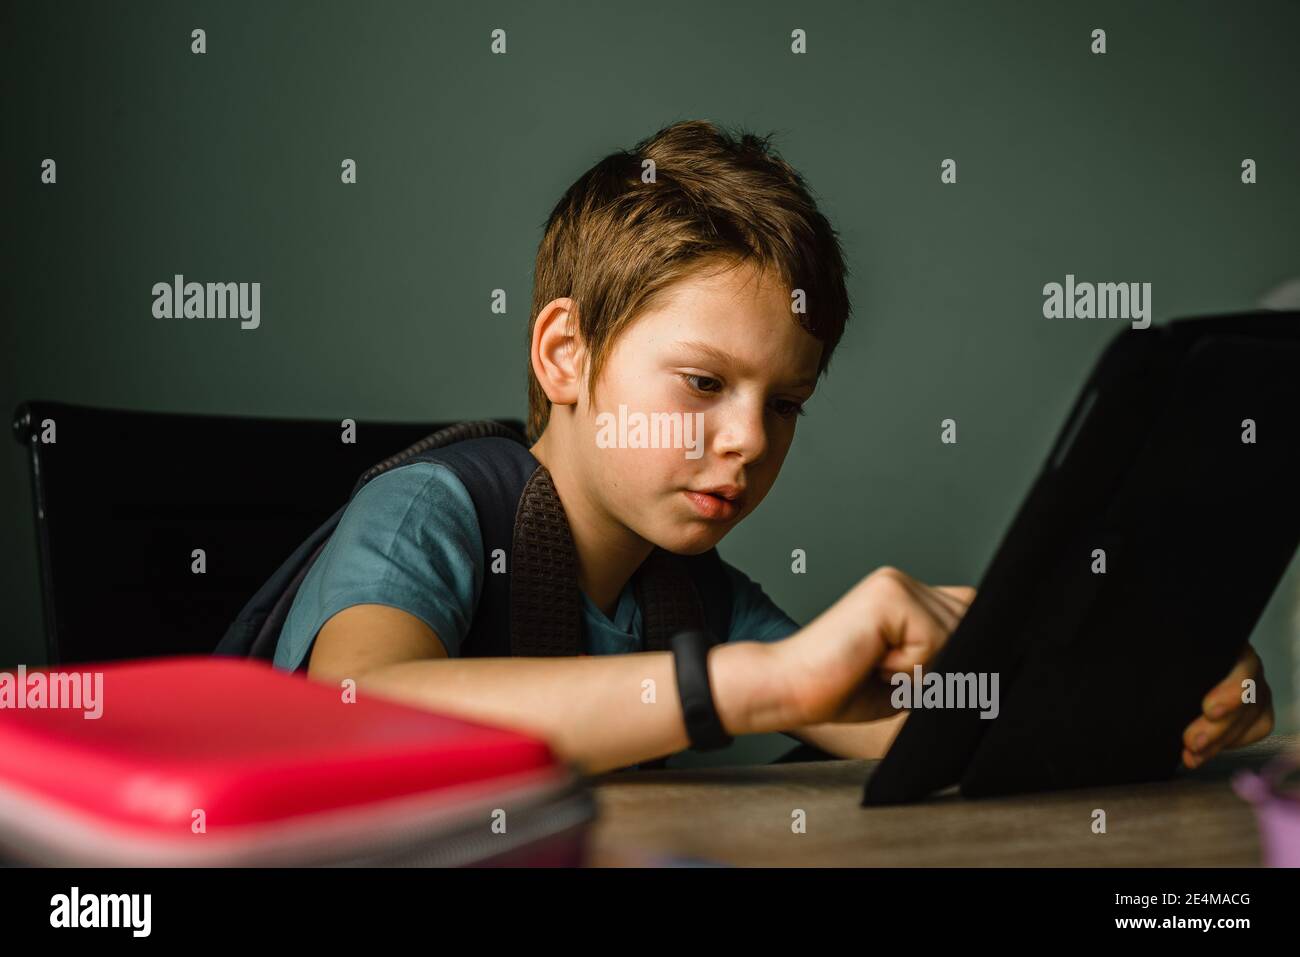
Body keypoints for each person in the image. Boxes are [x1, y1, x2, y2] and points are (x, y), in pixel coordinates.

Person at [273, 120, 1273, 776]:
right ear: (564, 355)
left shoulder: (693, 598)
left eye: (786, 402)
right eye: (704, 384)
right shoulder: (428, 510)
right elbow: (360, 711)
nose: (749, 439)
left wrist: (1155, 684)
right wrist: (763, 683)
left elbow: (914, 738)